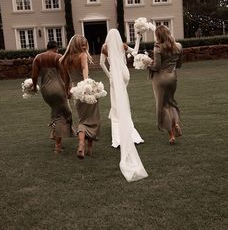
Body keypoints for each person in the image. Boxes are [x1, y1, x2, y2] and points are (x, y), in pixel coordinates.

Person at [100, 28, 148, 182]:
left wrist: (110, 77)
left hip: (115, 75)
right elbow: (135, 51)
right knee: (123, 98)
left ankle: (119, 130)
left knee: (116, 101)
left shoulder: (105, 47)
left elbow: (101, 64)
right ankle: (127, 126)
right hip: (125, 73)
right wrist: (139, 38)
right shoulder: (123, 46)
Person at [59, 34, 100, 159]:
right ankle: (89, 148)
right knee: (93, 119)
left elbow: (66, 80)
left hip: (75, 90)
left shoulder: (65, 59)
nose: (84, 48)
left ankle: (81, 144)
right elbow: (84, 69)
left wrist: (67, 92)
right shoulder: (82, 55)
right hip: (86, 88)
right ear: (78, 45)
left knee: (82, 120)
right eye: (83, 45)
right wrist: (87, 84)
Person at [31, 40, 73, 153]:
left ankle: (56, 136)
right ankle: (58, 145)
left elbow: (34, 76)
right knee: (65, 114)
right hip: (58, 88)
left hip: (45, 90)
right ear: (56, 48)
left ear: (47, 47)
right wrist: (68, 89)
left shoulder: (38, 58)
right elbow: (65, 74)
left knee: (56, 112)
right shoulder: (58, 56)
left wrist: (34, 87)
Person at [144, 25, 183, 145]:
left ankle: (171, 135)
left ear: (158, 36)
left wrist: (147, 64)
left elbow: (157, 66)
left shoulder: (158, 48)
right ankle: (176, 123)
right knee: (172, 102)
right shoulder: (178, 46)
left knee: (163, 106)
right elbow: (180, 64)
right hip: (172, 78)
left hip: (160, 79)